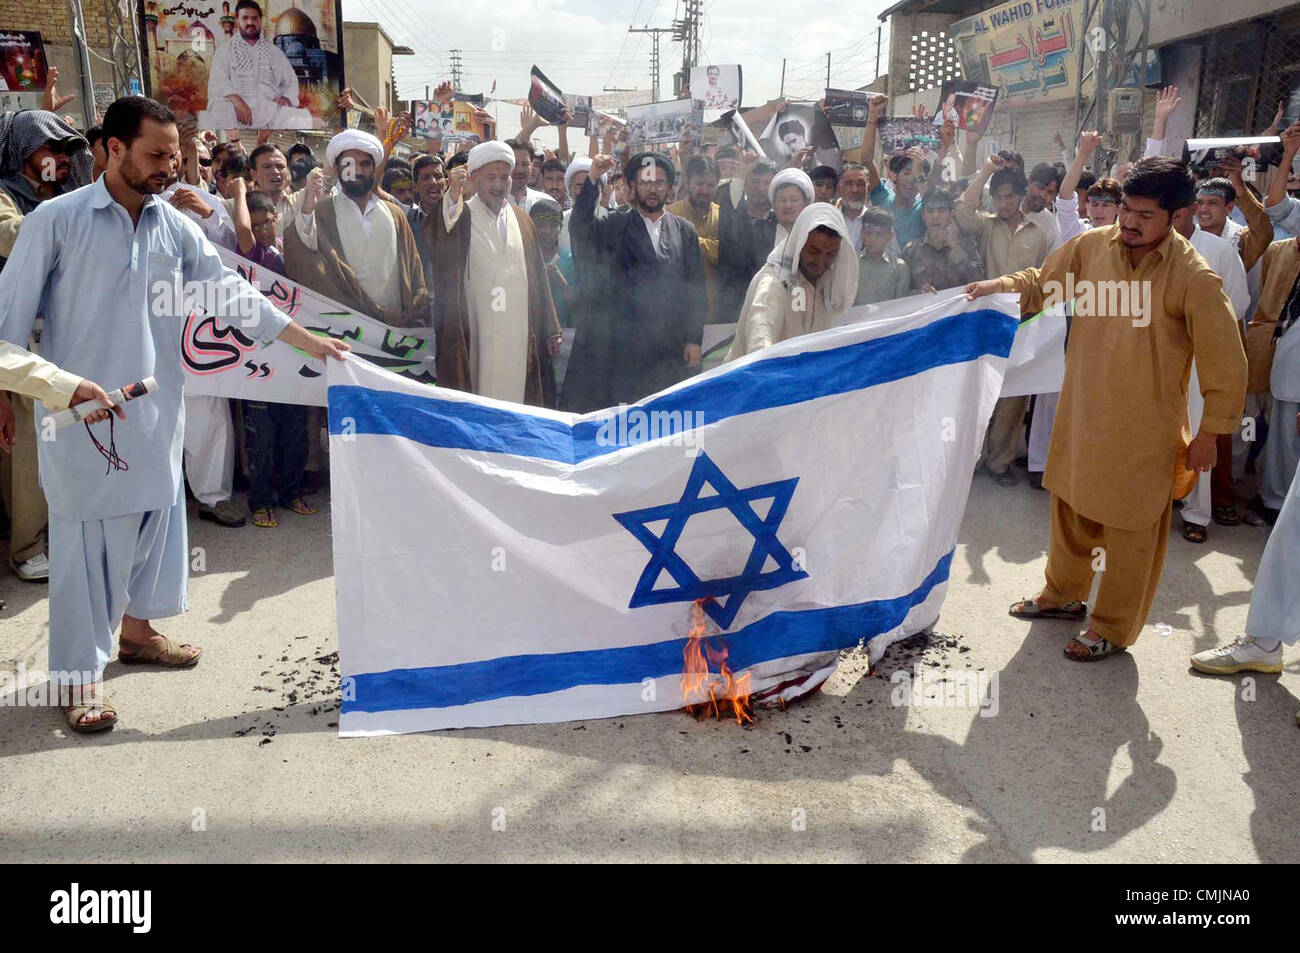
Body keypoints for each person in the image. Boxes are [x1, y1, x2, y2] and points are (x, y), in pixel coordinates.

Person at [0, 96, 349, 732]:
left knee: (153, 529)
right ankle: (77, 678)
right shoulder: (56, 221)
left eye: (175, 156)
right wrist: (58, 385)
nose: (169, 167)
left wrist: (310, 341)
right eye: (156, 155)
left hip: (156, 414)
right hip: (82, 422)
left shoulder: (173, 226)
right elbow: (4, 333)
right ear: (112, 148)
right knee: (85, 549)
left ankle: (136, 635)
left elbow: (233, 295)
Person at [968, 157, 1247, 662]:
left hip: (1146, 429)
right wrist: (997, 289)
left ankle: (1113, 627)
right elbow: (1041, 282)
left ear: (1178, 216)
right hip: (1083, 412)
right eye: (1126, 210)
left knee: (1131, 530)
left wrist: (1211, 433)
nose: (1130, 222)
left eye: (1145, 214)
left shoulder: (1195, 277)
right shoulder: (1093, 248)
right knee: (1071, 509)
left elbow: (1226, 363)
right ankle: (1062, 595)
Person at [0, 109, 95, 581]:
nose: (59, 159)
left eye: (64, 151)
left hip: (64, 331)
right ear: (23, 152)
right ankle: (27, 546)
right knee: (28, 444)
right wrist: (66, 217)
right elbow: (12, 235)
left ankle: (61, 529)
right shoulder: (5, 196)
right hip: (18, 340)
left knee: (66, 435)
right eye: (49, 149)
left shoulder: (61, 197)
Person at [424, 140, 561, 406]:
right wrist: (453, 195)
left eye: (504, 177)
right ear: (473, 178)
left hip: (518, 332)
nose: (499, 185)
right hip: (475, 331)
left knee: (519, 403)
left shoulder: (523, 221)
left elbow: (539, 280)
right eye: (490, 177)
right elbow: (436, 240)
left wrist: (550, 328)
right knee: (477, 399)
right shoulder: (458, 215)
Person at [565, 151, 706, 410]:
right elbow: (581, 229)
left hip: (670, 347)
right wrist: (593, 179)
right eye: (645, 183)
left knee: (666, 418)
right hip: (623, 349)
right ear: (632, 188)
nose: (653, 189)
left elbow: (695, 289)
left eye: (659, 183)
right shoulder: (613, 225)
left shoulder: (685, 230)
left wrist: (694, 339)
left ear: (669, 188)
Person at [957, 155, 1051, 487]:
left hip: (1024, 322)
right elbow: (962, 210)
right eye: (998, 197)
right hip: (985, 319)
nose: (1004, 203)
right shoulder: (985, 225)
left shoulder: (1040, 232)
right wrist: (985, 170)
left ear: (1022, 195)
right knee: (980, 391)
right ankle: (973, 458)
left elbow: (1044, 278)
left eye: (1010, 196)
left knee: (1013, 397)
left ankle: (1000, 462)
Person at [285, 129, 431, 329]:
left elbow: (414, 273)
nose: (358, 171)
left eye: (365, 164)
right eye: (349, 165)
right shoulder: (322, 212)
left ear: (374, 168)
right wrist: (308, 205)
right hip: (346, 330)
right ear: (336, 170)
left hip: (396, 328)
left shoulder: (395, 213)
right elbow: (303, 251)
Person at [726, 202, 858, 359]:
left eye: (830, 254)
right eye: (814, 251)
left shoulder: (829, 284)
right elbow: (760, 336)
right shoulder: (773, 282)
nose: (821, 261)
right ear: (799, 243)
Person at [1243, 234, 1300, 526]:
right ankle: (1276, 501)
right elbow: (1263, 303)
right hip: (1283, 361)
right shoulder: (1280, 251)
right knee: (1281, 437)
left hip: (1289, 363)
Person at [204, 1, 314, 130]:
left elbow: (291, 81)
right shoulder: (224, 51)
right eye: (245, 18)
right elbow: (219, 83)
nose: (250, 22)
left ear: (260, 20)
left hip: (269, 109)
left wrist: (286, 98)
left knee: (300, 117)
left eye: (254, 18)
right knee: (221, 109)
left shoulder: (275, 53)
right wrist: (238, 102)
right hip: (235, 110)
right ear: (237, 20)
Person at [716, 154, 777, 323]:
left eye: (767, 183)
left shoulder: (780, 220)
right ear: (746, 184)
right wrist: (742, 172)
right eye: (755, 182)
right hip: (734, 307)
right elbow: (731, 196)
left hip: (771, 305)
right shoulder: (731, 213)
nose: (760, 188)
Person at [667, 155, 721, 325]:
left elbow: (726, 253)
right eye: (699, 184)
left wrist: (693, 241)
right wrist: (709, 245)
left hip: (714, 310)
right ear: (688, 182)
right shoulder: (670, 215)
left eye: (710, 185)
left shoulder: (723, 217)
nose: (704, 190)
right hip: (676, 310)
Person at [902, 188, 983, 293]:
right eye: (930, 211)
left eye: (941, 210)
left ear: (951, 214)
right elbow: (900, 294)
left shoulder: (967, 246)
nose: (935, 216)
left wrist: (955, 247)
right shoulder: (911, 251)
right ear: (923, 215)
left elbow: (979, 282)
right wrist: (918, 293)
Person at [855, 207, 910, 305]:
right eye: (869, 233)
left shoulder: (899, 267)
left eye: (879, 235)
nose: (873, 239)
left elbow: (899, 306)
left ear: (890, 237)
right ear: (862, 234)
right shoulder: (852, 262)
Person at [836, 161, 870, 253]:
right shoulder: (831, 219)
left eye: (860, 184)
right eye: (849, 184)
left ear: (867, 188)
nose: (855, 190)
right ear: (840, 188)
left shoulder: (877, 221)